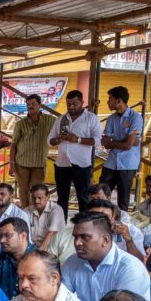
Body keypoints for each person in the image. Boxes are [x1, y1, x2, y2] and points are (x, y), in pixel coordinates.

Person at [62, 212, 151, 301]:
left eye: (85, 237)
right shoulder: (72, 261)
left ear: (105, 240)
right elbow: (61, 300)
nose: (77, 243)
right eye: (75, 237)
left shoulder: (130, 268)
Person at [48, 90, 102, 218]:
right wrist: (59, 139)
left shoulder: (91, 118)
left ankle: (84, 226)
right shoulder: (61, 119)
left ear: (82, 102)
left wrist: (78, 140)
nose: (71, 106)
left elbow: (98, 140)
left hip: (82, 165)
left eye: (75, 103)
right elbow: (50, 141)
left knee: (83, 197)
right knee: (62, 198)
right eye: (68, 104)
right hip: (62, 164)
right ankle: (60, 227)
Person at [49, 199, 144, 264]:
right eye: (94, 217)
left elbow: (140, 263)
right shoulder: (64, 236)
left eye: (105, 218)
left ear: (114, 219)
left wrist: (129, 240)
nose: (100, 222)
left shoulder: (131, 232)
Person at [99, 86, 142, 211]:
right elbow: (105, 142)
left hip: (128, 164)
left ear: (118, 101)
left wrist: (114, 142)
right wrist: (125, 141)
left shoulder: (135, 118)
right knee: (101, 194)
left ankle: (120, 227)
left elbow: (128, 145)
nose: (107, 102)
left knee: (123, 200)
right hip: (111, 162)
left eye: (110, 99)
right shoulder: (111, 118)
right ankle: (101, 221)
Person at [9, 93, 55, 203]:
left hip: (39, 163)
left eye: (33, 104)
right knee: (23, 191)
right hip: (22, 163)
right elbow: (14, 144)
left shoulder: (51, 120)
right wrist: (11, 164)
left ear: (40, 105)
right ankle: (25, 215)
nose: (30, 106)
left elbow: (61, 131)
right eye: (28, 104)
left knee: (37, 192)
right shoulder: (20, 123)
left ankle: (35, 215)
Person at [0, 216, 34, 299]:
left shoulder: (39, 260)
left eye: (7, 235)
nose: (2, 240)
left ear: (23, 236)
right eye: (0, 236)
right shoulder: (3, 257)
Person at [25, 183, 65, 250]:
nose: (36, 201)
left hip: (51, 247)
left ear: (48, 197)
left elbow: (51, 233)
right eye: (33, 198)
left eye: (40, 198)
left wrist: (39, 252)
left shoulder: (56, 210)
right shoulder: (27, 210)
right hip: (32, 247)